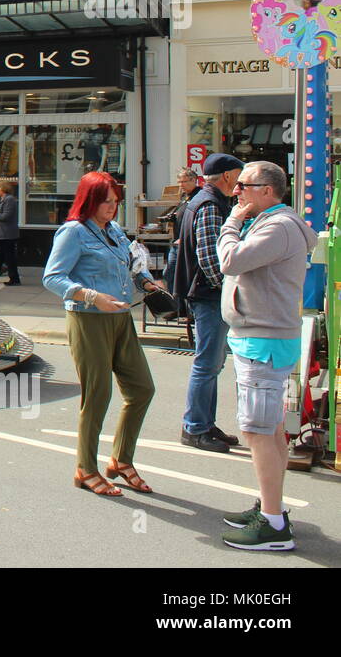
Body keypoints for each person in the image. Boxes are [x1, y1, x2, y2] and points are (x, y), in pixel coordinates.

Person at [43, 171, 163, 496]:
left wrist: (147, 282)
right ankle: (85, 468)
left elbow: (133, 264)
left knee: (142, 389)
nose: (112, 207)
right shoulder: (73, 232)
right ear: (90, 200)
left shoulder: (113, 231)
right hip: (89, 319)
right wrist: (92, 296)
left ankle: (121, 462)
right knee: (97, 396)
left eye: (115, 201)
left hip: (121, 318)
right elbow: (52, 278)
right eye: (106, 201)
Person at [216, 162, 313, 552]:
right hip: (259, 337)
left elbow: (230, 261)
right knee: (270, 429)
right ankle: (270, 507)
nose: (236, 192)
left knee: (257, 431)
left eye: (244, 186)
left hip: (264, 340)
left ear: (269, 190)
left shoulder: (277, 226)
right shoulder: (272, 221)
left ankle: (274, 526)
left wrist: (230, 225)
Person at [173, 152, 245, 453]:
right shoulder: (210, 204)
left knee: (213, 363)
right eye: (239, 177)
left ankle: (205, 422)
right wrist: (227, 290)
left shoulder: (207, 201)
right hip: (208, 296)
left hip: (206, 294)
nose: (241, 185)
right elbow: (209, 258)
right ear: (227, 176)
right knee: (207, 363)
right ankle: (195, 427)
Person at [162, 167, 200, 296]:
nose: (181, 185)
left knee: (179, 275)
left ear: (194, 180)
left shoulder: (199, 196)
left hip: (186, 242)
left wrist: (186, 237)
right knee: (169, 274)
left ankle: (183, 308)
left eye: (184, 182)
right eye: (179, 182)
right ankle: (176, 305)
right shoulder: (185, 196)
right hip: (177, 241)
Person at [0, 181, 21, 285]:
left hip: (7, 234)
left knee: (8, 257)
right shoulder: (3, 200)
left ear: (4, 189)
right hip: (2, 233)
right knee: (1, 256)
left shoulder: (9, 200)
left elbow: (6, 216)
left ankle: (13, 279)